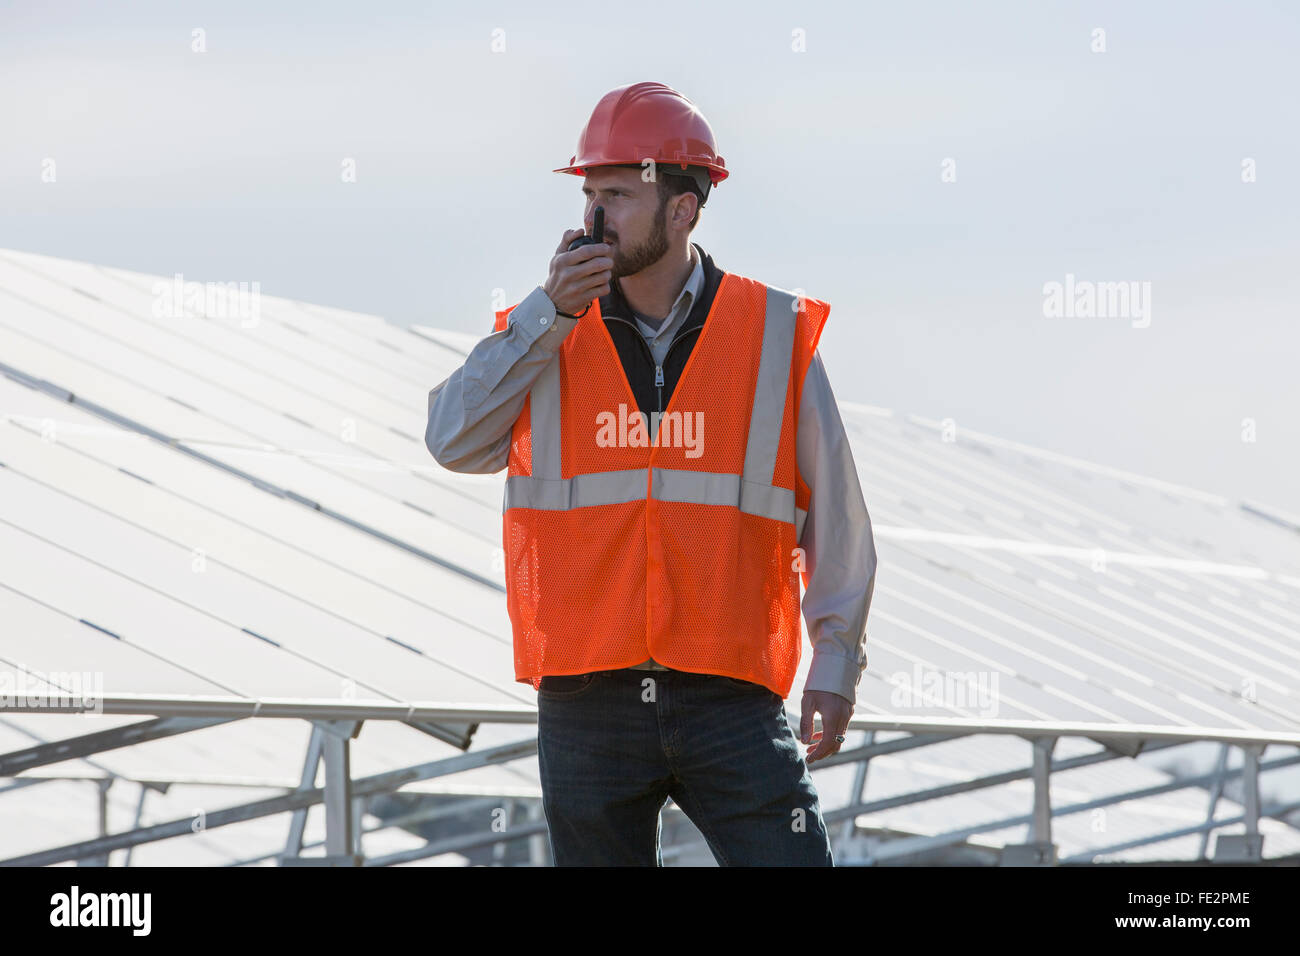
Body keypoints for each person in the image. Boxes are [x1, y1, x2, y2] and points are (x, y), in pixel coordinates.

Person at [426, 81, 877, 866]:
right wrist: (548, 316)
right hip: (586, 700)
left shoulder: (773, 333)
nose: (593, 218)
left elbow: (837, 520)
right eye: (590, 194)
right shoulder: (544, 329)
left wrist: (835, 664)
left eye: (617, 196)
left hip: (730, 694)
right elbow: (451, 441)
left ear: (683, 208)